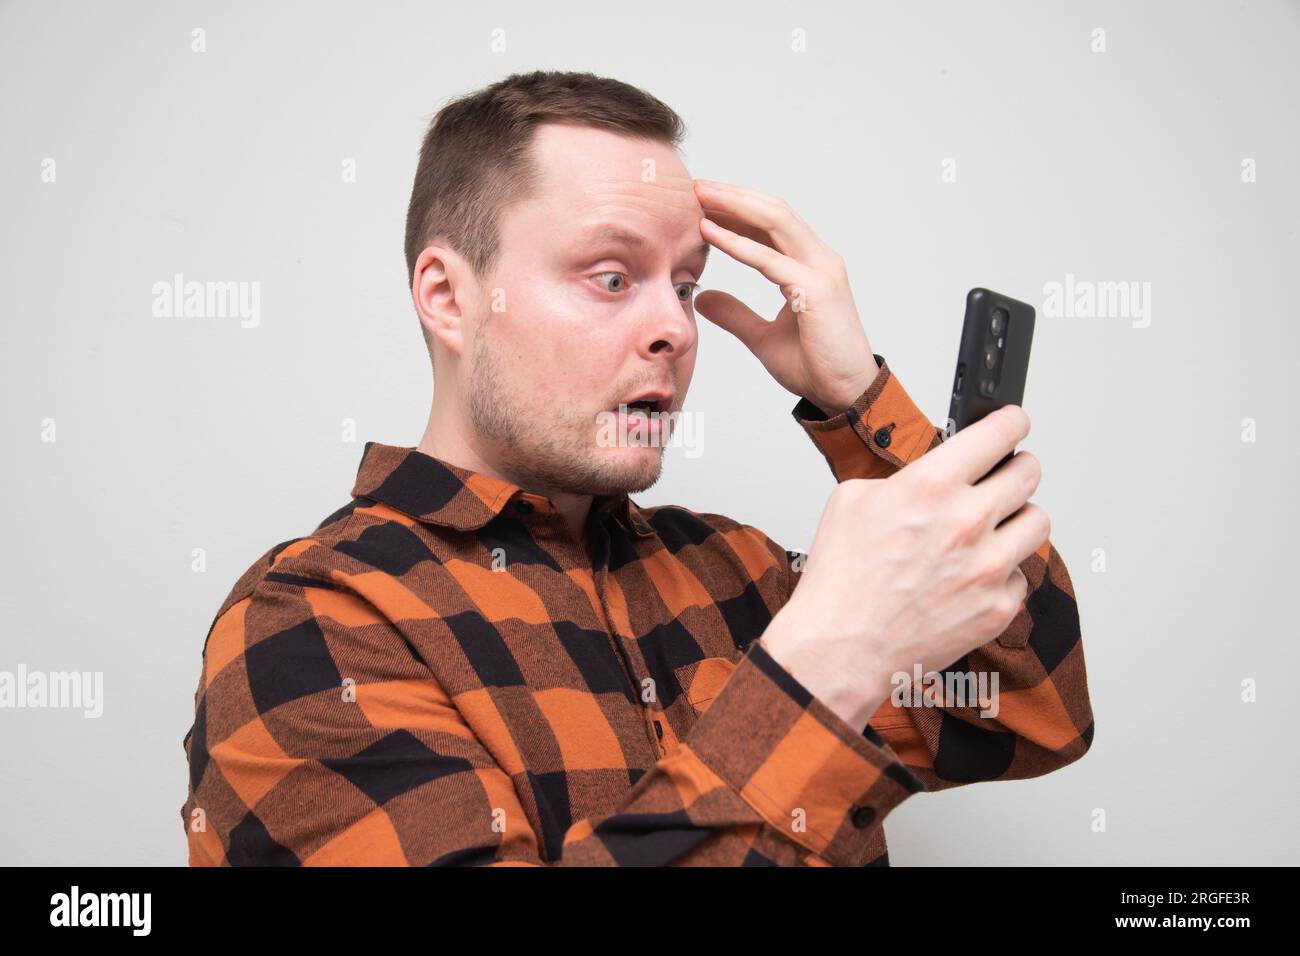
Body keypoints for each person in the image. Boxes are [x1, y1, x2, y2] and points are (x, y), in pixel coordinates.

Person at [181, 69, 1093, 866]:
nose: (679, 329)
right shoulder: (311, 627)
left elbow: (1031, 709)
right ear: (449, 299)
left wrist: (859, 401)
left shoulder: (740, 574)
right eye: (613, 278)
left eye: (686, 286)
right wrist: (824, 666)